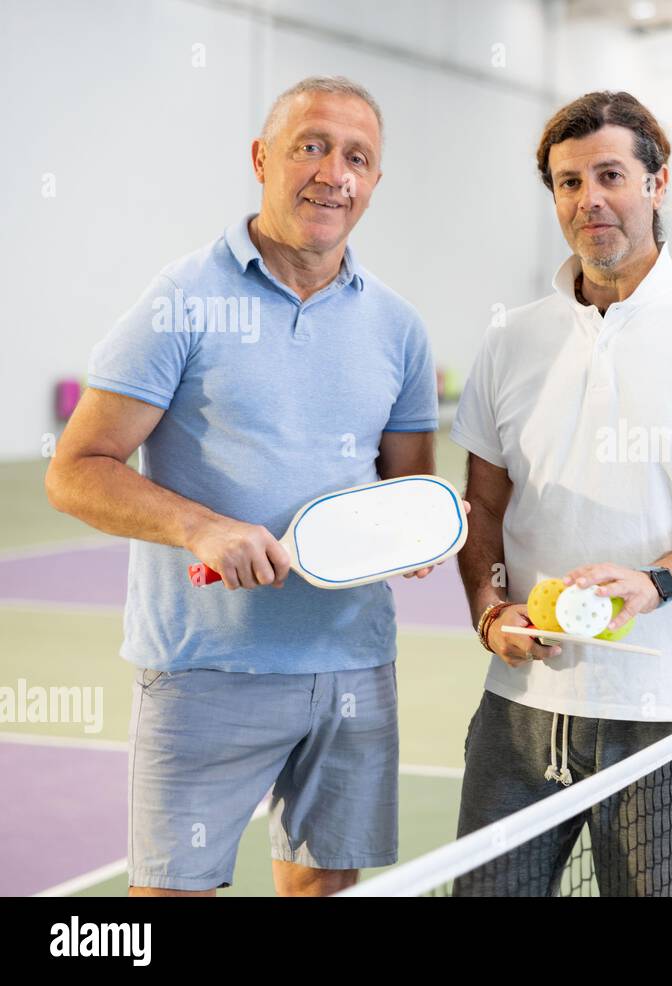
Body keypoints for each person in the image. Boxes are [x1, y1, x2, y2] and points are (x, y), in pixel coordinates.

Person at [44, 76, 441, 896]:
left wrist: (424, 534)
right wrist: (200, 529)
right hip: (205, 668)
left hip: (350, 668)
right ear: (261, 159)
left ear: (374, 183)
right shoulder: (181, 300)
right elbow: (75, 471)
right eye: (311, 146)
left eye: (357, 157)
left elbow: (409, 489)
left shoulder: (398, 327)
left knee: (322, 888)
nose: (334, 172)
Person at [450, 91, 672, 895]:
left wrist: (654, 584)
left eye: (610, 174)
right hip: (521, 709)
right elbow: (484, 511)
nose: (589, 199)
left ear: (657, 183)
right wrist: (488, 612)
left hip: (669, 714)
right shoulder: (512, 339)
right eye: (569, 183)